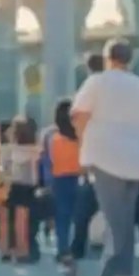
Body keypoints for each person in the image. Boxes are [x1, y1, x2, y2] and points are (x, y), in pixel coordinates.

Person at [68, 39, 139, 276]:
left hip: (105, 155)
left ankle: (121, 271)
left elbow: (80, 115)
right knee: (125, 214)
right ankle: (112, 267)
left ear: (108, 58)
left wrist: (83, 142)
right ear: (130, 59)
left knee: (114, 215)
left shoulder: (97, 82)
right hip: (137, 157)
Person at [68, 52, 106, 263]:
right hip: (116, 155)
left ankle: (77, 248)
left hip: (95, 156)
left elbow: (78, 118)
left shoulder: (90, 86)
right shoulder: (115, 87)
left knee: (84, 207)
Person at [43, 99, 81, 263]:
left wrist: (47, 183)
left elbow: (47, 161)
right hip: (80, 178)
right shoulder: (81, 136)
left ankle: (63, 249)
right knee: (79, 216)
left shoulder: (52, 137)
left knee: (62, 217)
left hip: (59, 179)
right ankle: (77, 247)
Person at [0, 117, 40, 263]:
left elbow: (2, 168)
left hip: (8, 184)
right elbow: (35, 173)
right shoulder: (34, 151)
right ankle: (22, 251)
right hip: (25, 186)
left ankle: (4, 250)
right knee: (21, 219)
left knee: (5, 219)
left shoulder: (6, 149)